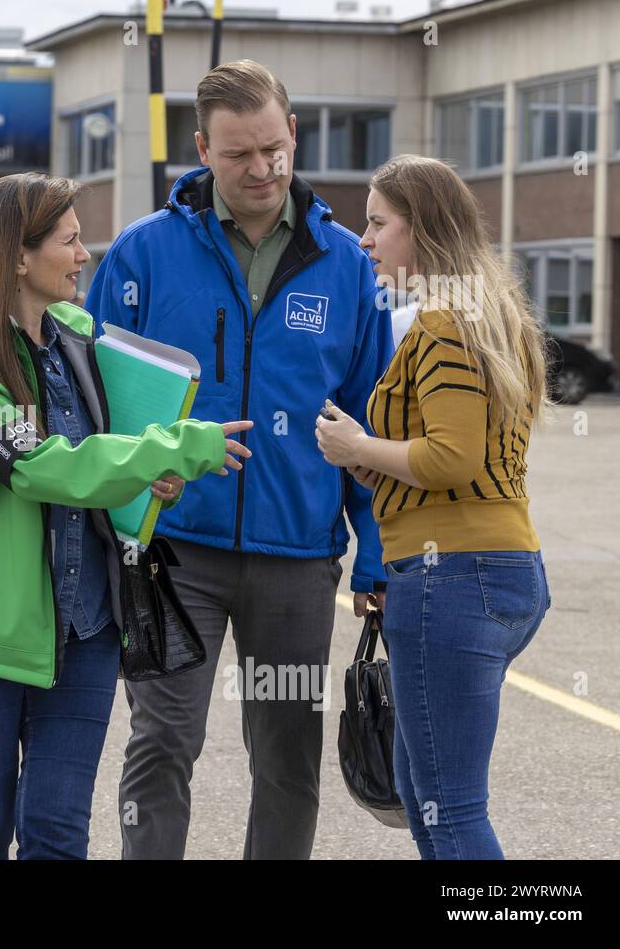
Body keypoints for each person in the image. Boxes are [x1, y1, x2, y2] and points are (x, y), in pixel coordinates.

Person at [0, 172, 253, 860]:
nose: (85, 256)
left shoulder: (79, 336)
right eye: (70, 241)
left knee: (57, 833)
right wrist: (173, 445)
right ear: (18, 257)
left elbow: (108, 458)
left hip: (87, 630)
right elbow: (40, 467)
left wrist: (152, 479)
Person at [85, 59, 393, 860]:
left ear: (293, 133)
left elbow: (370, 417)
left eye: (271, 148)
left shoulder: (347, 264)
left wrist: (377, 555)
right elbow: (88, 398)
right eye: (236, 154)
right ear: (202, 149)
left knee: (288, 757)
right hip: (171, 553)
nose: (260, 169)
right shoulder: (141, 255)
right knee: (161, 743)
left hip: (297, 563)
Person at [316, 154, 552, 859]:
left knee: (449, 814)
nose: (365, 240)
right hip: (499, 569)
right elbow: (460, 459)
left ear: (422, 229)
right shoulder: (491, 314)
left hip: (452, 578)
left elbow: (454, 458)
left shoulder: (446, 321)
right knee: (428, 806)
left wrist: (358, 442)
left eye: (378, 223)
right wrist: (372, 459)